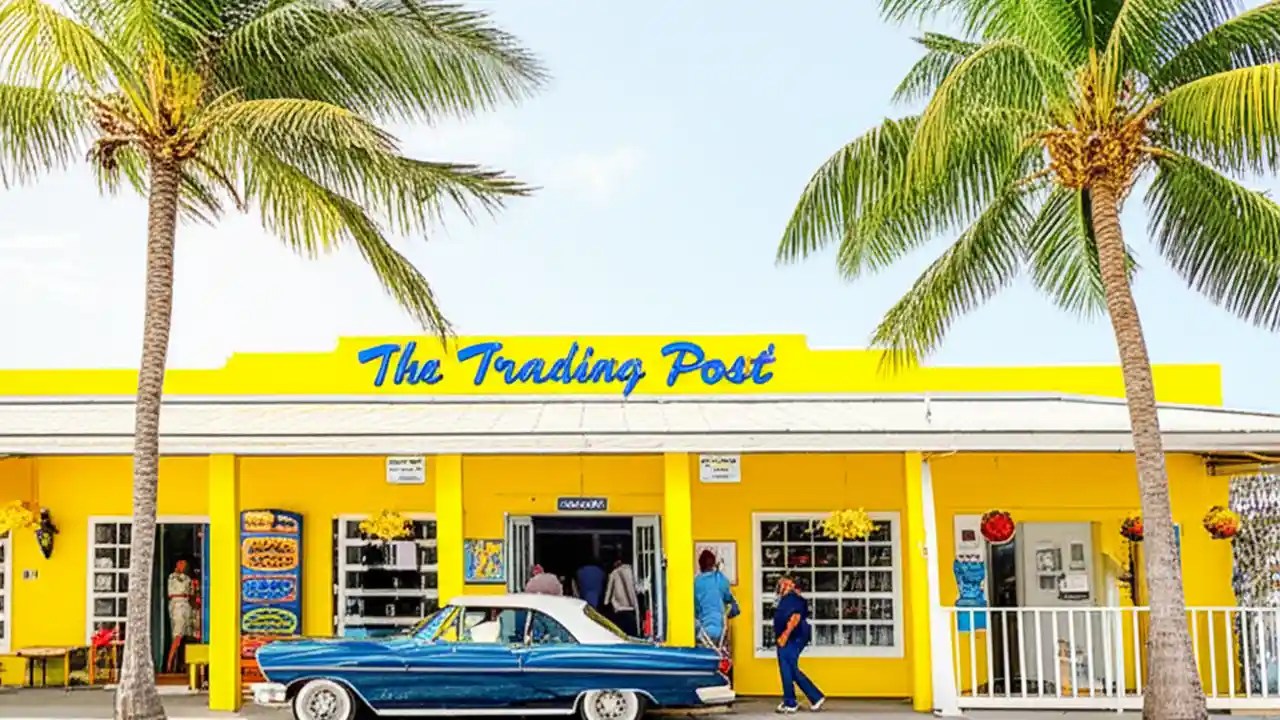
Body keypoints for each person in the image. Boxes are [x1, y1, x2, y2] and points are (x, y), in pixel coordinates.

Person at [773, 576, 825, 713]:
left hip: (792, 637)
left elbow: (794, 618)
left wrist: (785, 635)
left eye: (786, 583)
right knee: (789, 668)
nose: (782, 585)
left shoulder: (793, 599)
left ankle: (791, 702)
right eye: (781, 583)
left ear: (792, 586)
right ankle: (813, 697)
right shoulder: (785, 599)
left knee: (787, 667)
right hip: (790, 637)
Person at [694, 549, 739, 645]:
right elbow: (732, 604)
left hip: (703, 632)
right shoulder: (721, 579)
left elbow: (695, 609)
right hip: (720, 631)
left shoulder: (695, 583)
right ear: (714, 564)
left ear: (700, 565)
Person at [165, 558, 195, 673]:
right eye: (181, 563)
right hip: (177, 605)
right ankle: (169, 663)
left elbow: (191, 593)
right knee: (177, 635)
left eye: (184, 564)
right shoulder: (173, 577)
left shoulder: (188, 579)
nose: (183, 566)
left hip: (186, 605)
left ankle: (182, 664)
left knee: (186, 635)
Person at [604, 554, 640, 636]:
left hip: (620, 610)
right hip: (632, 609)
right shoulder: (632, 571)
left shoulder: (613, 574)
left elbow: (607, 599)